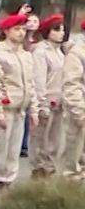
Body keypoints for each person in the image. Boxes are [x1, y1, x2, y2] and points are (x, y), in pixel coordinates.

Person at [0, 12, 38, 196]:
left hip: (20, 109)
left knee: (13, 152)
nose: (21, 33)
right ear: (6, 31)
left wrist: (34, 110)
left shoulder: (26, 55)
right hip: (4, 110)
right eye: (17, 29)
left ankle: (8, 184)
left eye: (23, 29)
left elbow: (31, 85)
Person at [31, 15, 68, 179]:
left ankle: (49, 170)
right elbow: (39, 80)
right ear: (48, 31)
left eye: (63, 29)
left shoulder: (60, 52)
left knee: (54, 140)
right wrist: (42, 103)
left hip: (60, 101)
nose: (61, 33)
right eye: (57, 29)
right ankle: (39, 171)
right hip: (46, 101)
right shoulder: (41, 52)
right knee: (41, 140)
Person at [59, 19, 85, 179]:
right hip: (80, 110)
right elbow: (71, 85)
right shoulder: (77, 53)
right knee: (74, 158)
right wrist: (79, 112)